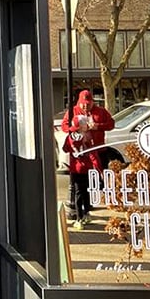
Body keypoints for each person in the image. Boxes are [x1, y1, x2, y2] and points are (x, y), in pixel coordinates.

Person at [60, 89, 114, 218]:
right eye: (83, 104)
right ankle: (85, 206)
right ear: (79, 102)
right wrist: (76, 130)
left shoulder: (101, 111)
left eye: (88, 104)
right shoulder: (73, 111)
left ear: (92, 102)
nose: (85, 106)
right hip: (82, 155)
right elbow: (64, 127)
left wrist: (97, 126)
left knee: (100, 177)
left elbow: (111, 124)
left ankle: (104, 201)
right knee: (82, 183)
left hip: (99, 149)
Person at [62, 118, 102, 230]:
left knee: (78, 193)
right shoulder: (88, 137)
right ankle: (86, 214)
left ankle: (79, 219)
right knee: (86, 191)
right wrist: (99, 169)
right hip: (86, 168)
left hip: (75, 169)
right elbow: (93, 155)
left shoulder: (70, 137)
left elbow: (65, 149)